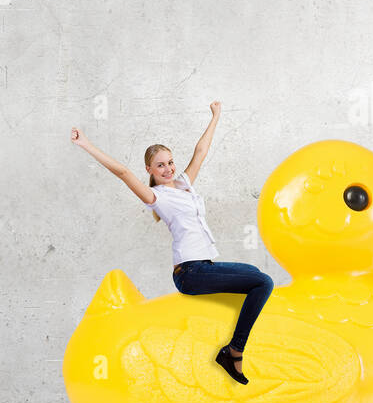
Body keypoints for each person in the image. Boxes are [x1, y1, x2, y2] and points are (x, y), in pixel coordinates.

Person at [70, 101, 272, 385]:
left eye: (170, 162)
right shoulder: (157, 197)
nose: (167, 169)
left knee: (259, 277)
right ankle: (234, 351)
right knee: (263, 283)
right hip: (190, 273)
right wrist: (86, 144)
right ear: (150, 169)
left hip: (205, 265)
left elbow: (200, 152)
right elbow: (123, 172)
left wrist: (216, 116)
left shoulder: (184, 185)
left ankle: (233, 346)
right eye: (160, 165)